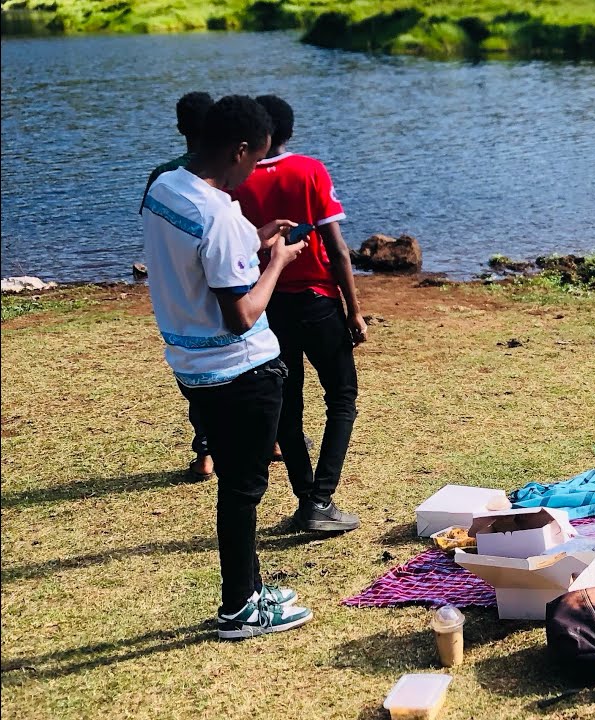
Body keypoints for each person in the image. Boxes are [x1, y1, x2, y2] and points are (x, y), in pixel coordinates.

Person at [142, 94, 314, 638]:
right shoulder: (219, 216)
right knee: (243, 490)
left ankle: (250, 592)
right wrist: (278, 261)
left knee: (237, 486)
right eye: (255, 159)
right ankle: (239, 608)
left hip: (192, 365)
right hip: (241, 370)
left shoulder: (164, 188)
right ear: (239, 150)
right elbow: (241, 315)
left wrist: (252, 243)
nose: (255, 170)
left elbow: (195, 265)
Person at [231, 95, 366, 533]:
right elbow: (337, 248)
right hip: (318, 302)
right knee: (342, 397)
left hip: (270, 304)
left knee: (288, 406)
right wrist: (354, 311)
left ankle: (307, 497)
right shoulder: (310, 170)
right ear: (286, 132)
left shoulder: (239, 179)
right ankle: (321, 500)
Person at [142, 91, 217, 481]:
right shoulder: (224, 172)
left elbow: (153, 228)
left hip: (180, 291)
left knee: (194, 372)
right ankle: (272, 440)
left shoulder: (163, 175)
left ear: (180, 127)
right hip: (226, 281)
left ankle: (206, 454)